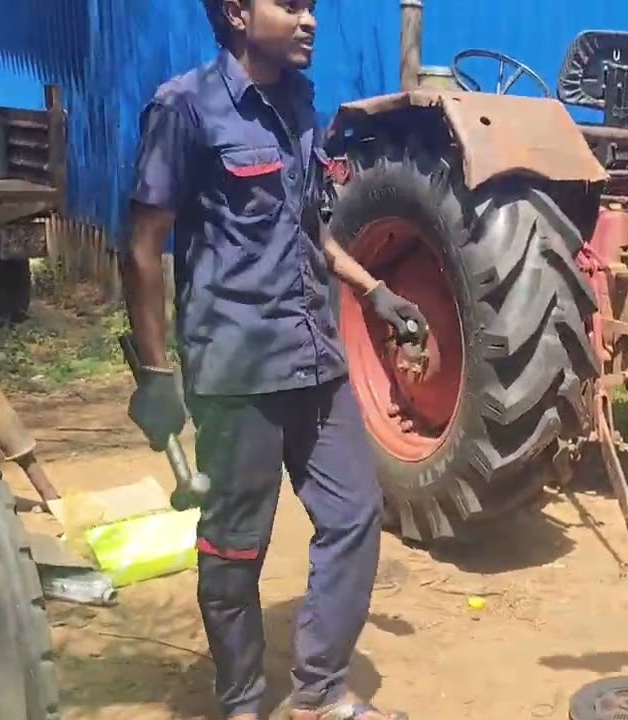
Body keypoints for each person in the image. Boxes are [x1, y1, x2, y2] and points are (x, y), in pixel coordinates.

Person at [118, 1, 422, 718]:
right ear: (235, 13)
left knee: (354, 514)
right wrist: (156, 377)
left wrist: (372, 290)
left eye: (313, 6)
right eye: (290, 5)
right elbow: (140, 248)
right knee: (234, 548)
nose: (309, 19)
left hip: (315, 357)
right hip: (237, 370)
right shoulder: (184, 109)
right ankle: (244, 700)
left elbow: (309, 225)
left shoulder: (301, 104)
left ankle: (317, 694)